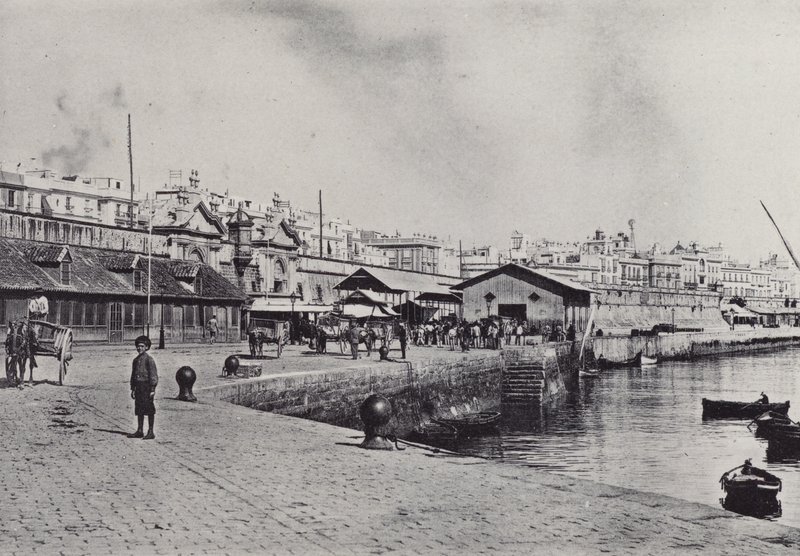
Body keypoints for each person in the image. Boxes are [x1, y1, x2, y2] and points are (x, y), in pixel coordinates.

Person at [129, 335, 158, 440]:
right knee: (139, 409)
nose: (139, 348)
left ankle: (151, 431)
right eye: (138, 346)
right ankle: (140, 430)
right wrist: (133, 388)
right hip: (138, 387)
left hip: (147, 386)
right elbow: (133, 375)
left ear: (146, 347)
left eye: (142, 346)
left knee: (149, 409)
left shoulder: (149, 360)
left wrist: (152, 389)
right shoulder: (135, 360)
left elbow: (153, 375)